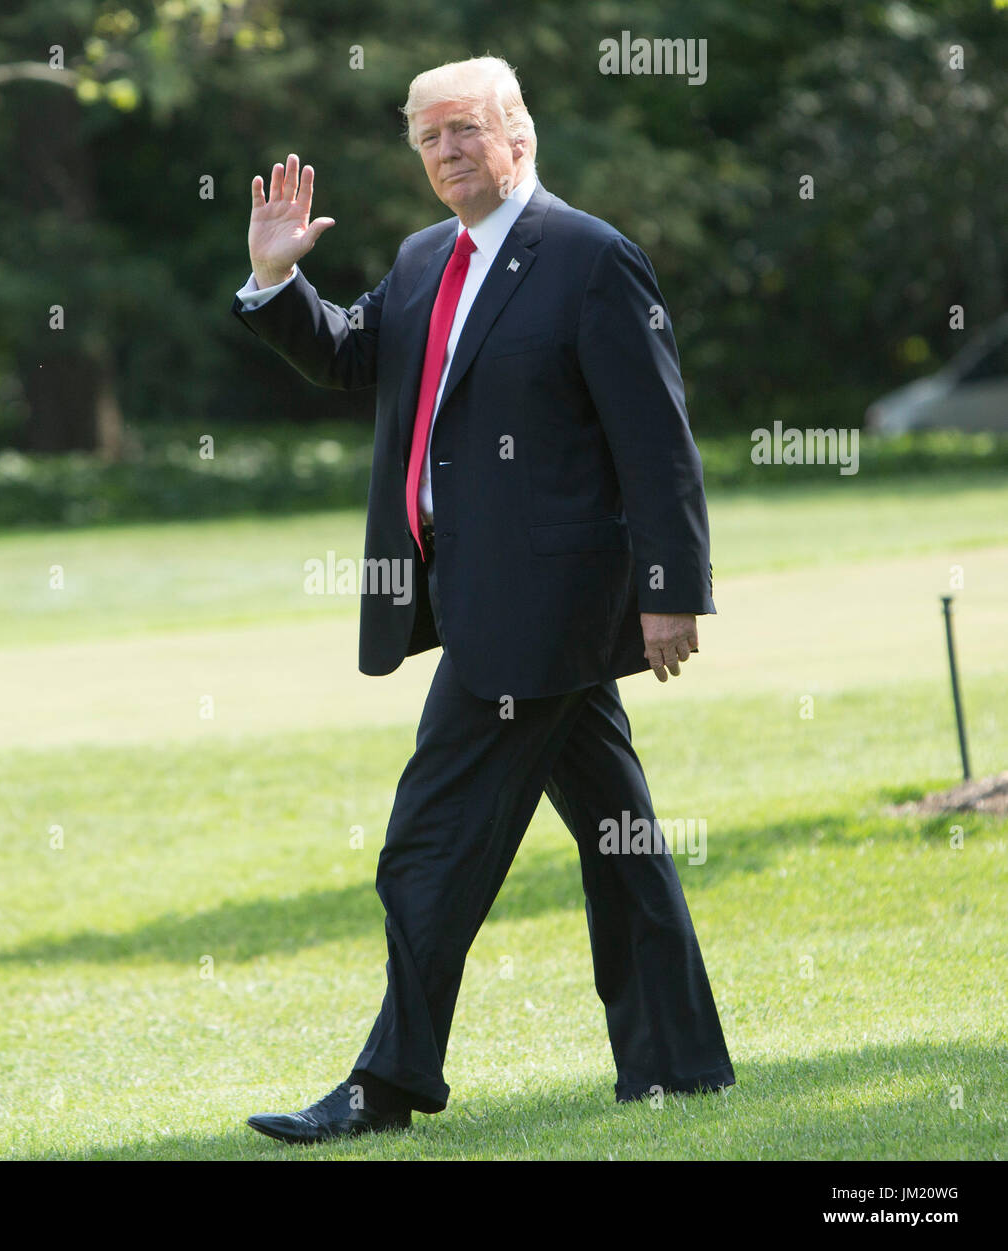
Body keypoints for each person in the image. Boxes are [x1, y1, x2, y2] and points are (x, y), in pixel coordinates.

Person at [231, 55, 734, 1145]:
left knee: (426, 844)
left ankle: (385, 1086)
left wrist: (670, 589)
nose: (449, 151)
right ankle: (679, 1062)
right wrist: (278, 284)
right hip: (466, 596)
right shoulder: (423, 261)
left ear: (521, 131)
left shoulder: (591, 259)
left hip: (545, 605)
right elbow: (350, 357)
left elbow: (657, 440)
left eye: (466, 128)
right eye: (428, 138)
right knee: (617, 835)